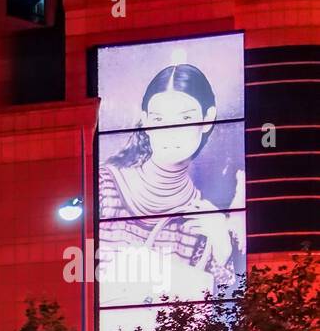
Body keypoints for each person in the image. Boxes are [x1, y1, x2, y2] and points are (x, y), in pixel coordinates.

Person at [98, 62, 243, 303]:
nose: (171, 130)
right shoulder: (105, 185)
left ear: (208, 119)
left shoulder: (202, 218)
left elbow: (225, 313)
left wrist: (222, 249)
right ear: (145, 121)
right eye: (158, 118)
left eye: (185, 117)